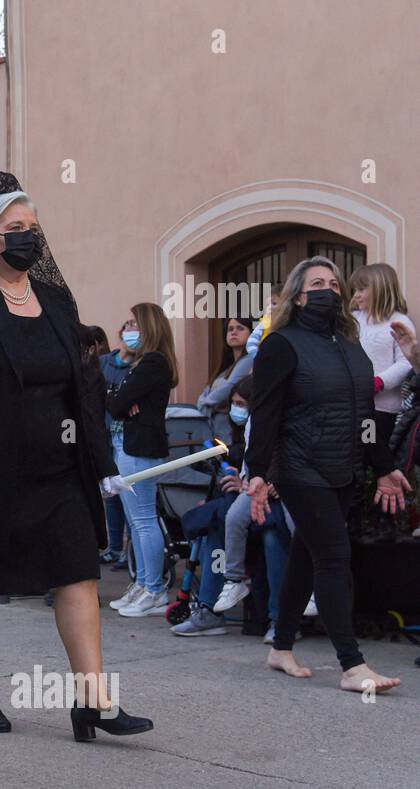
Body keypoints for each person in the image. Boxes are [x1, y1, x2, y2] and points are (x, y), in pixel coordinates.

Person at [0, 170, 151, 742]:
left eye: (33, 227)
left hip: (57, 468)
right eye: (14, 228)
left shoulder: (54, 299)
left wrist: (102, 464)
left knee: (78, 573)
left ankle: (93, 699)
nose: (27, 237)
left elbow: (83, 384)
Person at [248, 256, 410, 693]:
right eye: (317, 282)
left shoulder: (349, 345)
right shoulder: (280, 344)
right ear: (298, 295)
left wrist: (386, 467)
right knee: (334, 557)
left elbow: (367, 414)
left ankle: (280, 647)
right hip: (302, 470)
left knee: (306, 554)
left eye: (335, 283)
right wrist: (257, 473)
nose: (330, 289)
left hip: (344, 470)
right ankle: (352, 665)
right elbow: (265, 414)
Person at [173, 377, 291, 640]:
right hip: (249, 503)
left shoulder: (281, 423)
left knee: (273, 538)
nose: (237, 409)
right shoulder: (244, 432)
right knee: (217, 529)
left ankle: (279, 620)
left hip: (278, 503)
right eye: (234, 404)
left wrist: (258, 483)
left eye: (242, 404)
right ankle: (210, 610)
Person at [107, 302, 179, 618]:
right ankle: (143, 583)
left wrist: (119, 397)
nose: (129, 330)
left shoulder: (153, 363)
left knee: (144, 519)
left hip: (139, 447)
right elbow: (119, 401)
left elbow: (118, 403)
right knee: (135, 521)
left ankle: (155, 589)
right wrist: (120, 397)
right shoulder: (141, 364)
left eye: (134, 324)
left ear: (149, 327)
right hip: (126, 443)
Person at [349, 263, 414, 439]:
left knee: (374, 455)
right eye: (355, 290)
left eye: (361, 289)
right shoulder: (353, 319)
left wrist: (379, 382)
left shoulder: (399, 322)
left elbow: (406, 362)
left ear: (380, 289)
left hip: (383, 409)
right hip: (352, 404)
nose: (356, 296)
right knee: (355, 456)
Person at [98, 317, 135, 568]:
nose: (134, 331)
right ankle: (113, 547)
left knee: (127, 494)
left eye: (138, 326)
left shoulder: (140, 366)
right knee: (109, 495)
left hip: (124, 435)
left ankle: (128, 553)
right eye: (130, 326)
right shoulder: (104, 363)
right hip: (103, 432)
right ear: (121, 332)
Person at [197, 317, 254, 417]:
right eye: (230, 329)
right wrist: (203, 402)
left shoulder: (249, 359)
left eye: (240, 328)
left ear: (251, 333)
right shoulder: (228, 367)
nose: (234, 332)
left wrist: (204, 403)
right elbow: (207, 390)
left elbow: (229, 387)